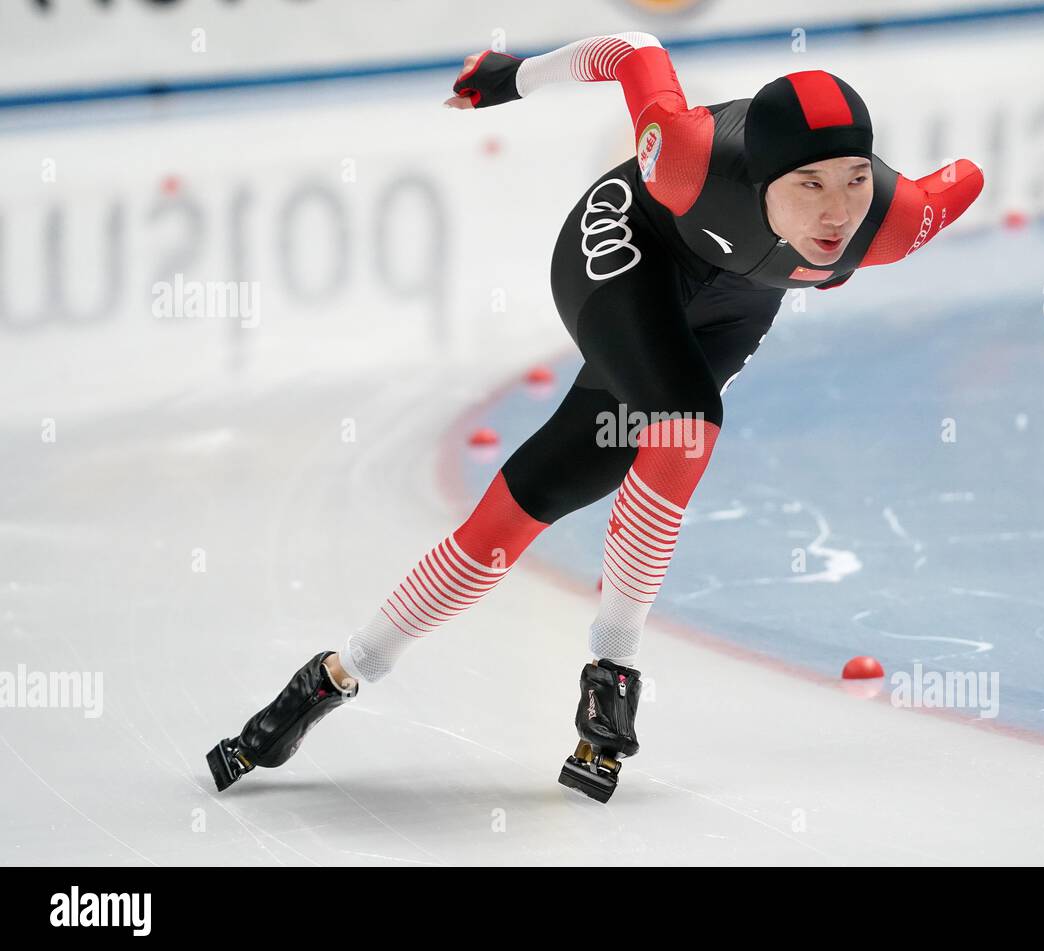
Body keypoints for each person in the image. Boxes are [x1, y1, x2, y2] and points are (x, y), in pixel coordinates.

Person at [207, 32, 984, 800]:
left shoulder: (894, 221)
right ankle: (614, 670)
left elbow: (968, 178)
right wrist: (517, 77)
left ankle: (333, 675)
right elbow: (633, 49)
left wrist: (919, 185)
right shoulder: (686, 157)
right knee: (687, 423)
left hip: (731, 310)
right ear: (757, 175)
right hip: (626, 249)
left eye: (855, 179)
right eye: (809, 184)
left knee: (532, 502)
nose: (838, 210)